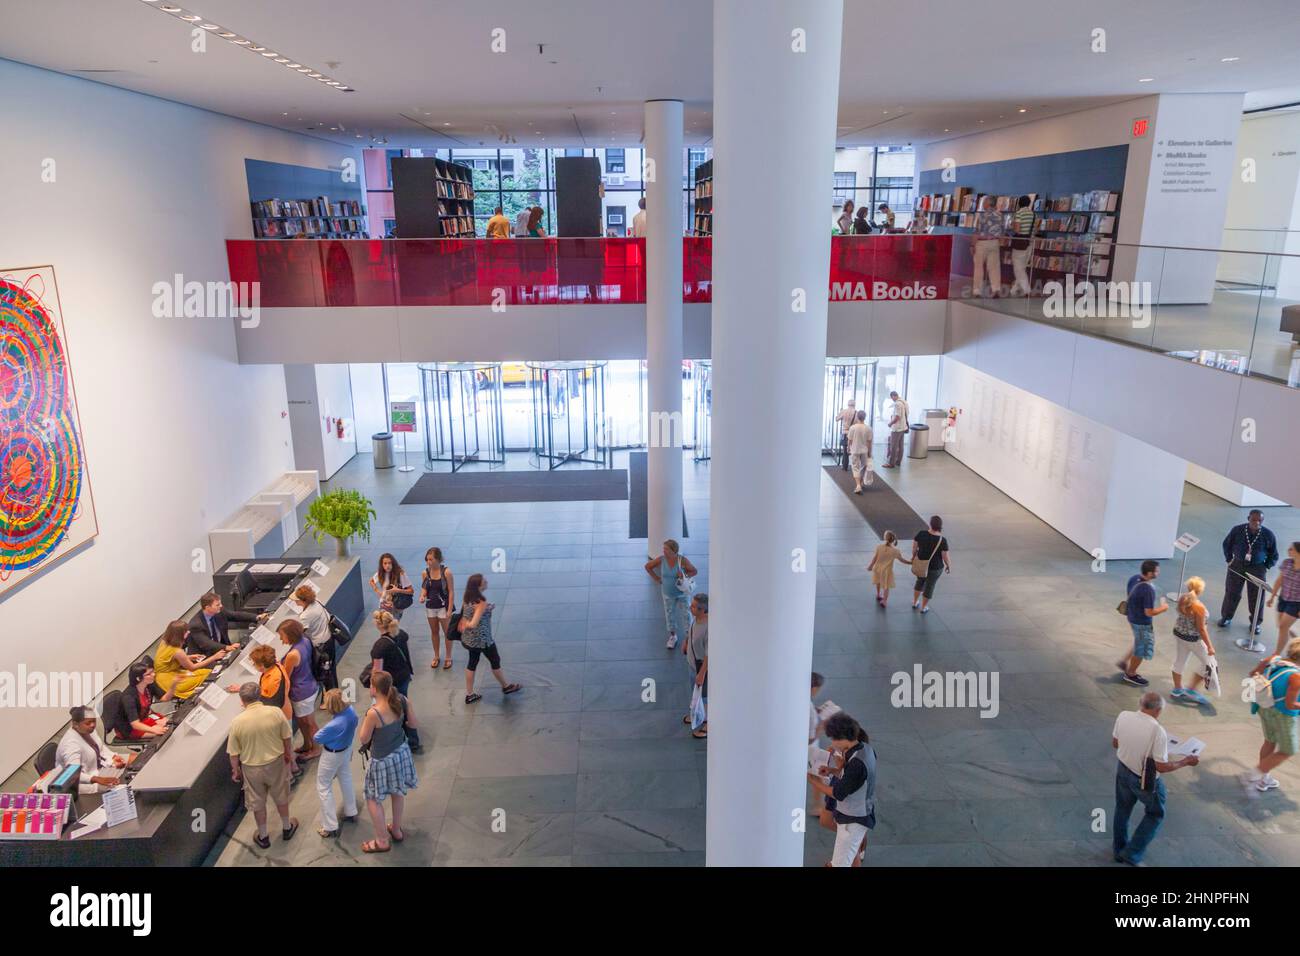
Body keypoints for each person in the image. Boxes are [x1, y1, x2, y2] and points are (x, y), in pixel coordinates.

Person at [1111, 691, 1198, 865]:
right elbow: (1161, 766)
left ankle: (1119, 849)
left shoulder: (1124, 715)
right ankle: (1132, 853)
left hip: (1122, 770)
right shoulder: (1157, 731)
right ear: (1158, 711)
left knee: (1122, 809)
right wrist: (1186, 761)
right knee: (1155, 813)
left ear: (1141, 704)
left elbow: (1115, 743)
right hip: (1144, 779)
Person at [227, 682, 299, 849]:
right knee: (281, 796)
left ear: (242, 700)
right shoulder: (275, 712)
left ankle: (264, 835)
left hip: (251, 768)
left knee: (257, 803)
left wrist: (235, 771)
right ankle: (287, 827)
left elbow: (234, 753)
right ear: (259, 695)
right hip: (276, 763)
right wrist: (288, 754)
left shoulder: (237, 722)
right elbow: (287, 736)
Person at [358, 671, 418, 853]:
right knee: (397, 792)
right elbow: (413, 724)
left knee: (373, 799)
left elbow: (363, 738)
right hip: (400, 752)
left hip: (382, 759)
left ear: (375, 689)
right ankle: (397, 830)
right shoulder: (402, 700)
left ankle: (382, 840)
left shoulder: (374, 713)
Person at [807, 712, 877, 867]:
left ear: (843, 739)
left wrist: (813, 781)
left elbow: (838, 793)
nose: (832, 743)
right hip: (860, 813)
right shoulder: (865, 749)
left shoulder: (856, 765)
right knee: (848, 859)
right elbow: (854, 780)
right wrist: (834, 770)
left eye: (833, 739)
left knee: (841, 864)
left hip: (853, 820)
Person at [1244, 638, 1300, 794]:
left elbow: (1252, 674)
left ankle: (1264, 778)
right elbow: (1290, 704)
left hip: (1265, 707)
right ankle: (1254, 774)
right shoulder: (1296, 677)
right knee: (1289, 749)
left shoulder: (1274, 660)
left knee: (1270, 741)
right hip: (1282, 715)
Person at [458, 574, 522, 704]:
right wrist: (467, 624)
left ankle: (469, 694)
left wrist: (486, 609)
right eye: (484, 581)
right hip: (483, 639)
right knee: (495, 661)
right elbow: (474, 623)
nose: (486, 582)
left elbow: (469, 614)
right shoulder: (481, 602)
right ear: (479, 586)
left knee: (472, 663)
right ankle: (505, 686)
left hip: (470, 640)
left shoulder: (467, 598)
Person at [1219, 509, 1279, 638]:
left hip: (1257, 568)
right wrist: (1229, 559)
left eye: (1260, 520)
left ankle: (1255, 623)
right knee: (1232, 592)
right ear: (1248, 518)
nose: (1256, 522)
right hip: (1237, 565)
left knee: (1257, 597)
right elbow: (1226, 544)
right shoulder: (1237, 530)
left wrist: (1266, 566)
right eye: (1254, 519)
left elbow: (1274, 554)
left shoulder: (1268, 534)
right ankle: (1226, 617)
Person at [370, 610, 421, 752]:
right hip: (404, 676)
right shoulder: (402, 634)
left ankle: (402, 739)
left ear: (378, 625)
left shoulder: (380, 646)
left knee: (395, 710)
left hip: (390, 683)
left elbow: (377, 671)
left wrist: (373, 689)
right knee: (404, 705)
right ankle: (413, 740)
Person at [313, 688, 359, 838]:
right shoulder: (351, 711)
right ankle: (351, 810)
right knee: (345, 778)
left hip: (331, 755)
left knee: (323, 786)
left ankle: (330, 825)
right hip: (346, 749)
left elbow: (317, 738)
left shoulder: (333, 725)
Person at [55, 706, 130, 794]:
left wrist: (112, 756)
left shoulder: (88, 729)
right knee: (125, 784)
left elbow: (100, 747)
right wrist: (96, 779)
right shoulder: (70, 745)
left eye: (94, 721)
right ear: (75, 724)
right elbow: (72, 774)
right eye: (88, 723)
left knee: (136, 760)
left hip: (100, 766)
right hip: (85, 782)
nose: (92, 725)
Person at [1118, 560, 1168, 687]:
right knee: (1141, 648)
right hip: (1142, 622)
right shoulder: (1148, 590)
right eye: (1157, 571)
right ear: (1150, 573)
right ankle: (1131, 673)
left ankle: (1124, 661)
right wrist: (1163, 608)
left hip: (1132, 616)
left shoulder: (1134, 578)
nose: (1159, 572)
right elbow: (1149, 612)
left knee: (1138, 640)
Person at [1169, 577, 1216, 706]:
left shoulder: (1183, 599)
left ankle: (1178, 688)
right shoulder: (1199, 607)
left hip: (1180, 635)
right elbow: (1201, 629)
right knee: (1209, 663)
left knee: (1180, 661)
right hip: (1193, 639)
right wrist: (1210, 646)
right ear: (1200, 590)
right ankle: (1192, 689)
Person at [279, 619, 320, 761]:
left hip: (302, 693)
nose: (280, 639)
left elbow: (285, 675)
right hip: (309, 685)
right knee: (303, 722)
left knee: (309, 723)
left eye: (282, 635)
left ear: (290, 634)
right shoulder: (305, 641)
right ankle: (307, 744)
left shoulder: (293, 655)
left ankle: (316, 749)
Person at [155, 619, 229, 698]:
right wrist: (214, 657)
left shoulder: (165, 642)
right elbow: (192, 668)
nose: (189, 632)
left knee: (207, 672)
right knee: (207, 675)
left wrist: (188, 657)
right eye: (186, 631)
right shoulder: (178, 652)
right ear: (180, 634)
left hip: (166, 676)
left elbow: (169, 659)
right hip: (171, 681)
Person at [645, 539, 698, 649]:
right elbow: (647, 566)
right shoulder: (661, 559)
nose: (663, 551)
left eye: (666, 549)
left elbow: (694, 571)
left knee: (687, 615)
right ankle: (673, 637)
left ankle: (689, 637)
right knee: (670, 616)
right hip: (668, 593)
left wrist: (684, 574)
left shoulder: (682, 560)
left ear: (673, 551)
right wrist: (657, 579)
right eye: (664, 548)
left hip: (682, 594)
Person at [226, 642, 293, 721]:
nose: (253, 665)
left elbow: (268, 703)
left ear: (262, 666)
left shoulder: (273, 680)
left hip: (278, 718)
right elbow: (263, 691)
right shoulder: (275, 666)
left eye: (254, 663)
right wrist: (243, 689)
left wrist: (249, 704)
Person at [186, 591, 264, 656]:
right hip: (206, 655)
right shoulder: (195, 625)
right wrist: (226, 647)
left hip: (222, 648)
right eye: (217, 605)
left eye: (220, 603)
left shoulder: (219, 611)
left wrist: (256, 617)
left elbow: (235, 615)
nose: (221, 606)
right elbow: (206, 644)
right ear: (207, 608)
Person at [419, 546, 456, 670]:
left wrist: (450, 609)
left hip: (443, 607)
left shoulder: (446, 572)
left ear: (438, 560)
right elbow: (424, 588)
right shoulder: (425, 573)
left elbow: (451, 592)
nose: (428, 562)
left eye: (431, 560)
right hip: (431, 606)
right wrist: (422, 596)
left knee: (447, 633)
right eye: (427, 560)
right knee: (434, 632)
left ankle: (448, 657)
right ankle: (436, 656)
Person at [117, 661, 172, 740]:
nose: (153, 674)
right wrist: (154, 730)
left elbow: (164, 698)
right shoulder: (128, 697)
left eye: (152, 672)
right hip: (130, 728)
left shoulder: (149, 684)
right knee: (164, 731)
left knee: (169, 723)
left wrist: (174, 685)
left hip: (144, 717)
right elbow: (135, 724)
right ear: (139, 678)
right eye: (148, 674)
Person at [682, 593, 709, 739]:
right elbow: (692, 630)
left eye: (693, 606)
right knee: (696, 692)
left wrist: (702, 673)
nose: (690, 607)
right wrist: (686, 641)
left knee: (705, 696)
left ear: (703, 610)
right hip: (692, 664)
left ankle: (708, 723)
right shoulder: (696, 618)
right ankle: (698, 715)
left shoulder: (708, 628)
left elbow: (708, 655)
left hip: (700, 667)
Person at [1266, 541, 1300, 656]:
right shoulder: (1286, 563)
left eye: (1291, 549)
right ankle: (1296, 639)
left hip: (1296, 603)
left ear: (1298, 553)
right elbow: (1279, 580)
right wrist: (1272, 597)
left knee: (1282, 626)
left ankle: (1276, 654)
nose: (1288, 551)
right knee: (1281, 626)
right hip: (1283, 598)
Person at [910, 516, 950, 613]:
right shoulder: (942, 540)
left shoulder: (921, 534)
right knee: (930, 586)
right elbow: (945, 556)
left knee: (920, 582)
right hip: (935, 568)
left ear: (930, 524)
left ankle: (915, 602)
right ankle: (923, 607)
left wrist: (914, 556)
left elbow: (914, 548)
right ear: (940, 526)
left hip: (921, 564)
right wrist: (948, 565)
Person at [971, 194, 1005, 297]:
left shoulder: (981, 216)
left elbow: (976, 232)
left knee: (978, 267)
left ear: (987, 203)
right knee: (994, 267)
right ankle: (996, 289)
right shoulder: (1000, 216)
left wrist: (972, 245)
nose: (983, 203)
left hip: (982, 243)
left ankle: (977, 290)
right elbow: (1003, 231)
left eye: (984, 201)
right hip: (994, 243)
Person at [370, 554, 413, 621]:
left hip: (396, 605)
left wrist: (397, 590)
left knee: (393, 627)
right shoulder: (380, 573)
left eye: (389, 563)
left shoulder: (400, 573)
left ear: (393, 563)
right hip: (383, 604)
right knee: (384, 627)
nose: (387, 565)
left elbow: (411, 591)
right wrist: (378, 591)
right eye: (385, 563)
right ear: (382, 565)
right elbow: (371, 581)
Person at [868, 531, 905, 608]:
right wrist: (911, 562)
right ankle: (884, 601)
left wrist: (870, 566)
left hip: (877, 568)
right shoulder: (895, 551)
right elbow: (902, 560)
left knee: (878, 581)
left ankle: (878, 594)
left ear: (885, 538)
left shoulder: (879, 547)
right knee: (886, 586)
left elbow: (875, 558)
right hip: (887, 571)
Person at [1008, 195, 1035, 296]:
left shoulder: (1019, 213)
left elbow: (1017, 230)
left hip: (1020, 243)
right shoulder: (1033, 214)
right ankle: (1014, 290)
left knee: (1017, 268)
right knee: (1022, 267)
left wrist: (1012, 225)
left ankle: (1027, 290)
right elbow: (1034, 230)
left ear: (1019, 203)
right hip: (1029, 242)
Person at [847, 409, 873, 493]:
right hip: (864, 450)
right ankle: (860, 482)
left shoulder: (852, 427)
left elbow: (850, 440)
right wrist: (869, 452)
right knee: (864, 466)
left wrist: (848, 448)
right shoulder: (868, 428)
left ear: (857, 417)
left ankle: (858, 485)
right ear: (865, 418)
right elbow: (869, 441)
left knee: (855, 467)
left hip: (854, 450)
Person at [883, 390, 909, 468]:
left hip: (897, 428)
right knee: (901, 446)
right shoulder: (904, 402)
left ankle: (891, 463)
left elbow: (897, 416)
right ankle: (898, 462)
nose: (892, 400)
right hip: (903, 427)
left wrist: (890, 423)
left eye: (892, 398)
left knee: (893, 446)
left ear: (894, 396)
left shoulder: (897, 404)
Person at [836, 398, 857, 471]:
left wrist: (840, 412)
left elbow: (836, 419)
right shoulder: (856, 413)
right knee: (854, 450)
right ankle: (855, 467)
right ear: (854, 405)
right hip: (854, 434)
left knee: (845, 451)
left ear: (848, 404)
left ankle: (844, 466)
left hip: (845, 433)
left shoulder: (844, 411)